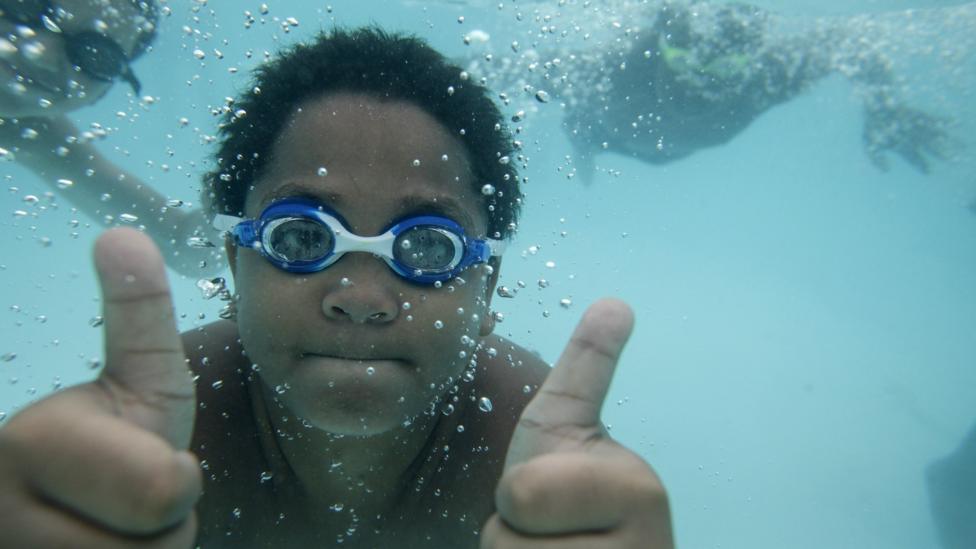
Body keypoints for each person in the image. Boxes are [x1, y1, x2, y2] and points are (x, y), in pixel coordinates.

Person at [0, 26, 675, 548]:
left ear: (486, 289)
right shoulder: (159, 436)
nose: (360, 295)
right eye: (302, 238)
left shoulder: (529, 453)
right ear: (234, 265)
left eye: (427, 247)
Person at [467, 0, 956, 182]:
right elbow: (502, 68)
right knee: (583, 125)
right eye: (686, 55)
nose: (703, 77)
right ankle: (584, 150)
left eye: (726, 61)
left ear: (749, 54)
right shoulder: (615, 68)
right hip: (603, 130)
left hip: (668, 150)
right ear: (660, 43)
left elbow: (853, 40)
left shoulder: (767, 74)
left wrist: (884, 109)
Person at [0, 0, 217, 276]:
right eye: (26, 8)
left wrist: (232, 206)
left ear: (102, 92)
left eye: (95, 56)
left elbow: (187, 249)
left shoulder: (31, 134)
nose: (42, 53)